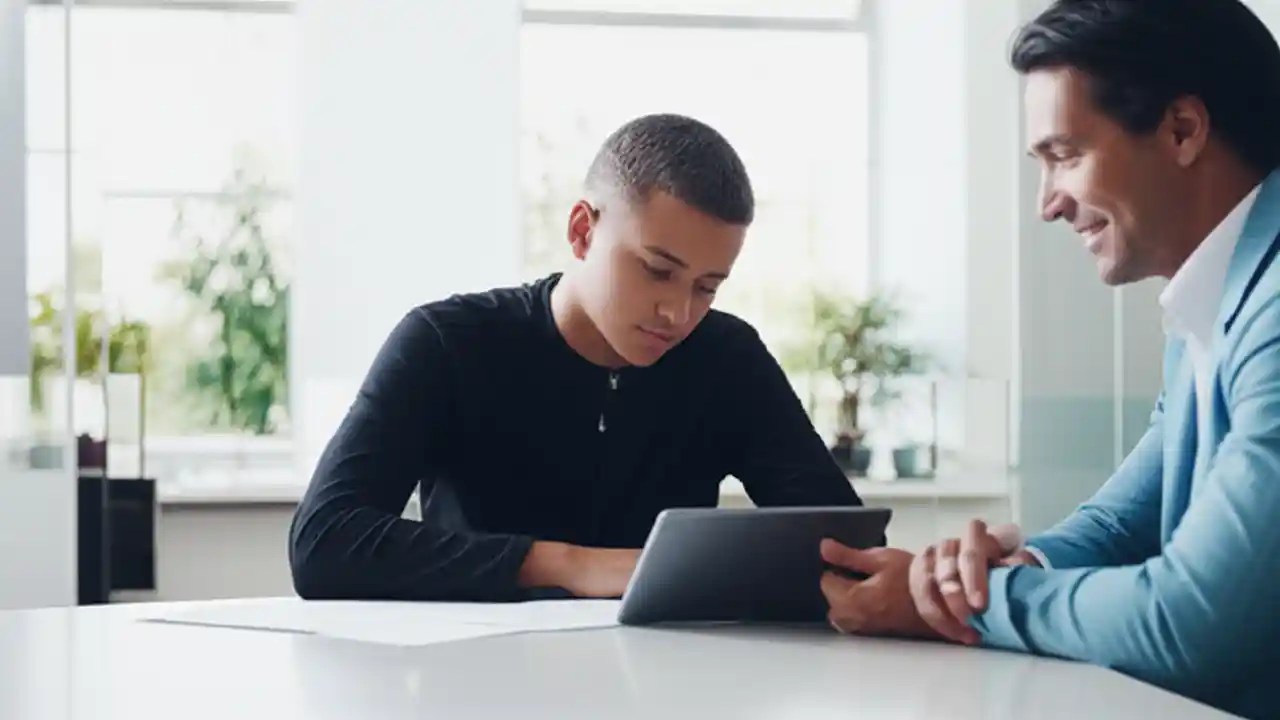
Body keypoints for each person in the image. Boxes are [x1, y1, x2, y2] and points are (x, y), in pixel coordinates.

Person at [818, 1, 1280, 717]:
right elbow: (1124, 524)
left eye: (1065, 156)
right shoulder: (1213, 301)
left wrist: (970, 606)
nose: (1048, 204)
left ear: (1182, 130)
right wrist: (992, 573)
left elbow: (1194, 621)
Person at [289, 113, 863, 603]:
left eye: (707, 286)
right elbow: (324, 542)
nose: (677, 313)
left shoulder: (727, 360)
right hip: (471, 684)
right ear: (583, 230)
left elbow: (849, 549)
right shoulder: (446, 342)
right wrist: (573, 565)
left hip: (666, 688)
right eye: (657, 270)